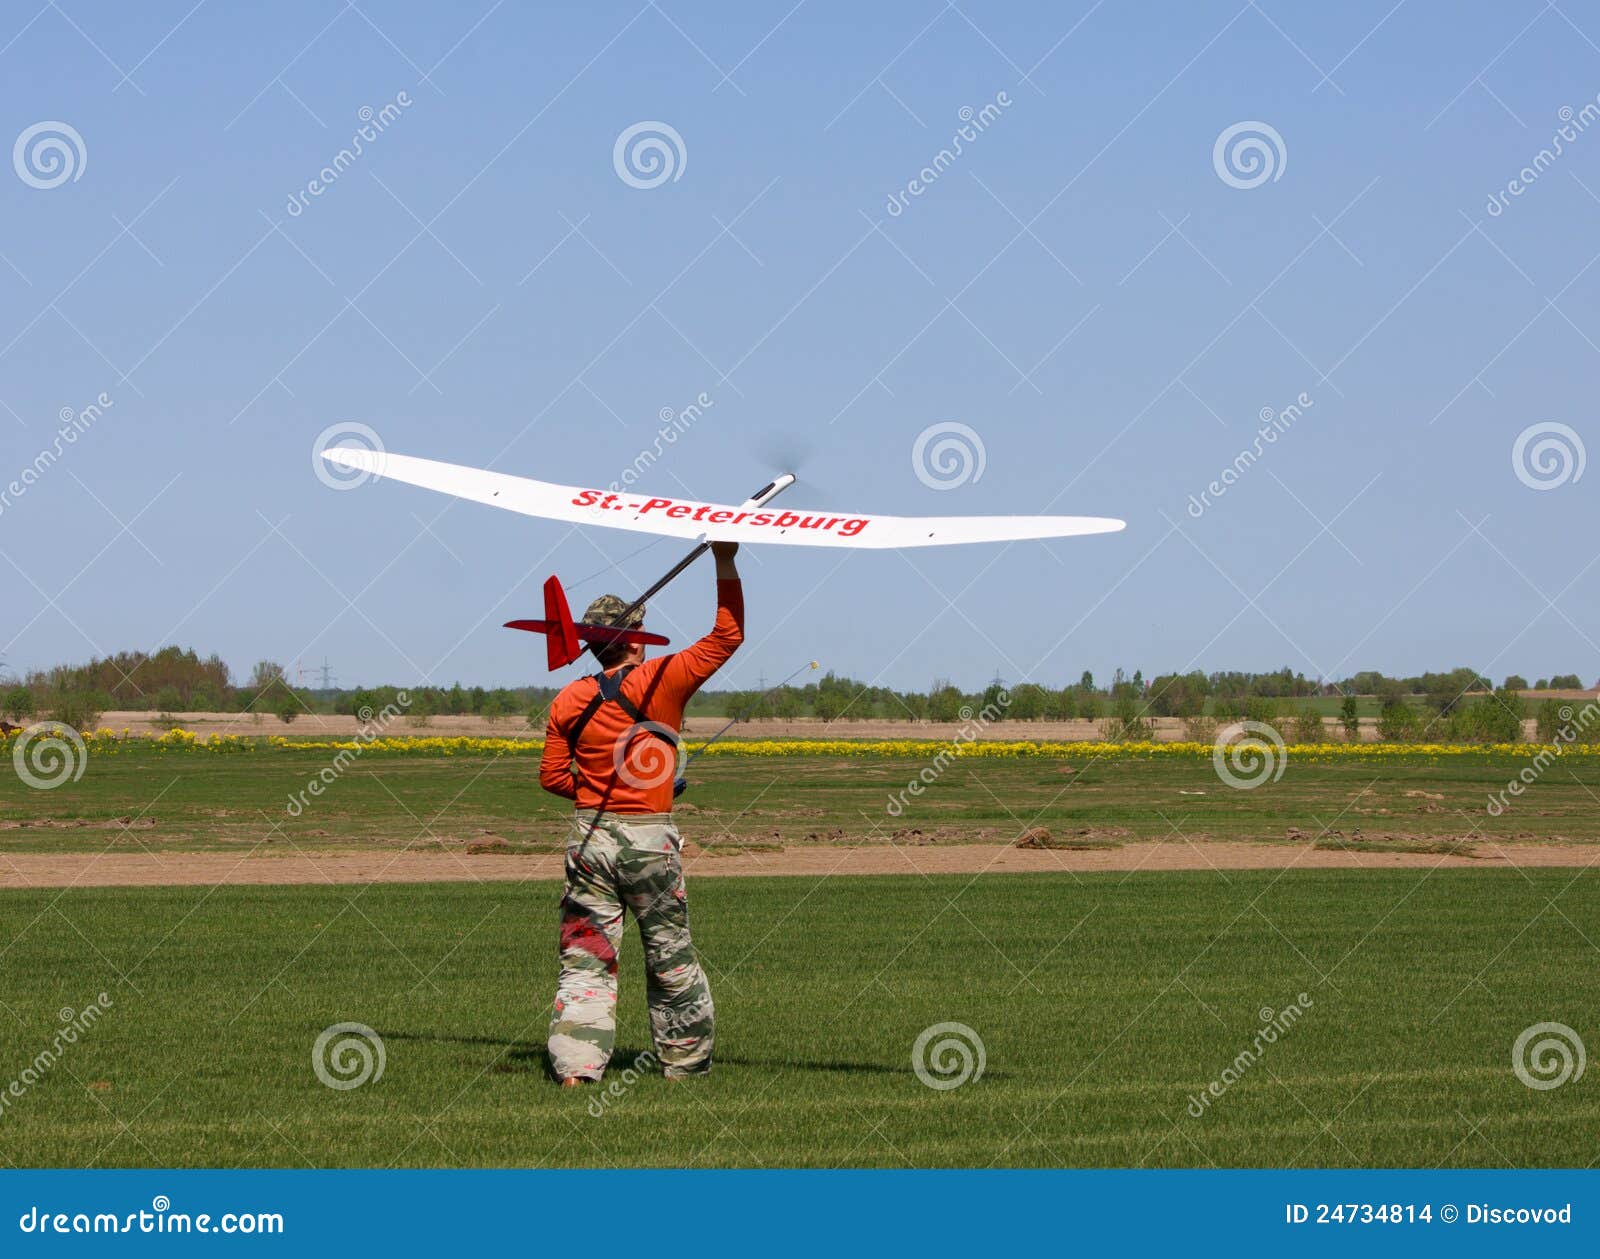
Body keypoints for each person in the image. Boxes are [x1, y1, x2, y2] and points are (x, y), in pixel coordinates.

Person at [538, 541, 743, 1085]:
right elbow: (728, 636)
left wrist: (599, 787)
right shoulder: (663, 679)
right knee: (669, 955)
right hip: (649, 841)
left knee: (586, 959)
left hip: (589, 840)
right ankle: (683, 1063)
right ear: (635, 640)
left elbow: (552, 777)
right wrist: (725, 561)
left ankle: (576, 1069)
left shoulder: (567, 701)